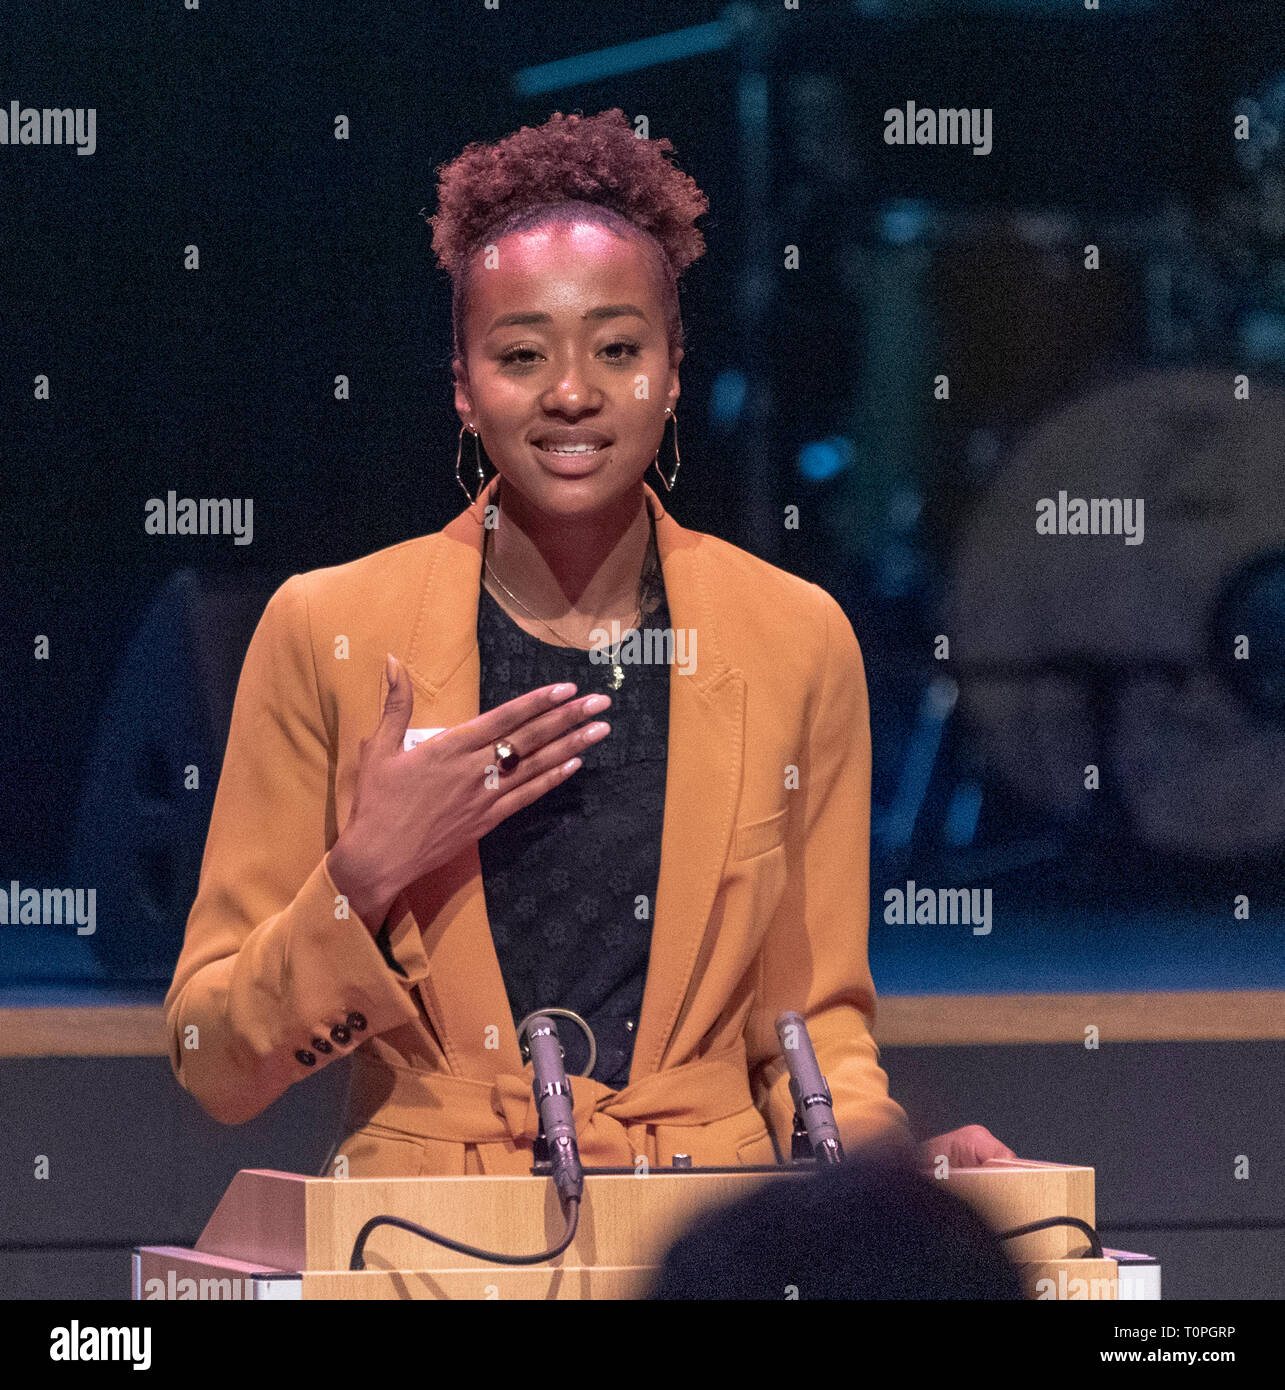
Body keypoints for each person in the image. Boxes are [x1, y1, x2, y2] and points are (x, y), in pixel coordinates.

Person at [163, 108, 1012, 1178]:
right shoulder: (327, 629)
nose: (572, 391)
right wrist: (362, 876)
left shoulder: (793, 637)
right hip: (426, 1235)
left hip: (699, 1232)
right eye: (522, 354)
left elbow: (811, 1037)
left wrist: (901, 1194)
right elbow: (211, 1058)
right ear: (466, 390)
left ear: (672, 372)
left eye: (617, 348)